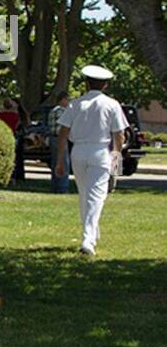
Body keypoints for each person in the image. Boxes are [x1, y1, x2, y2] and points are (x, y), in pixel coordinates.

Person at [56, 65, 128, 256]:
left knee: (85, 194)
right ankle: (88, 240)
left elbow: (63, 133)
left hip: (78, 151)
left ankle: (92, 233)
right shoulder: (112, 104)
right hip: (99, 150)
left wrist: (60, 161)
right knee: (96, 196)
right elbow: (119, 134)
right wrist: (116, 155)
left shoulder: (75, 104)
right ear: (105, 85)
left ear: (87, 83)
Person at [47, 92, 71, 193]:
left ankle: (55, 186)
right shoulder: (61, 111)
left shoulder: (53, 110)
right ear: (63, 99)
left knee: (55, 163)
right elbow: (62, 128)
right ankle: (62, 188)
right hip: (60, 138)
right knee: (63, 163)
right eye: (68, 100)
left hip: (53, 138)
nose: (69, 102)